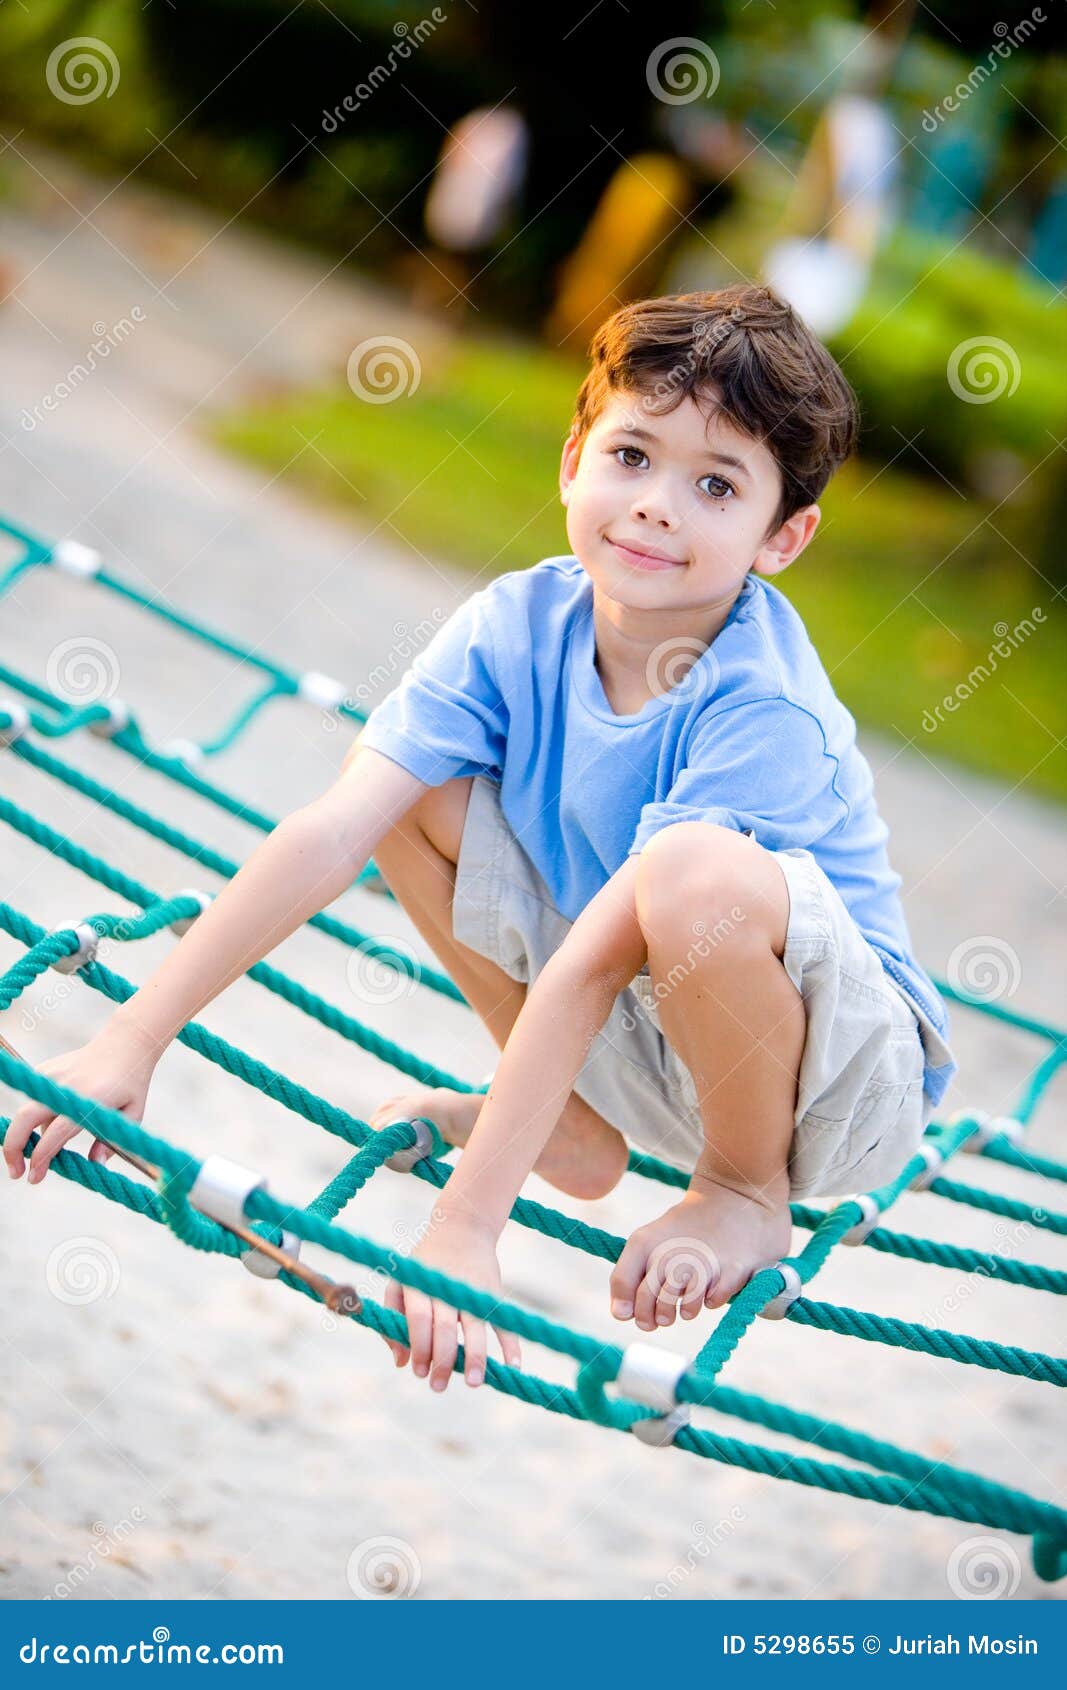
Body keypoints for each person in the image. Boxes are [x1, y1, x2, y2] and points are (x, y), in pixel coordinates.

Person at [3, 284, 956, 1400]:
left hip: (830, 1085)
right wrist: (133, 1038)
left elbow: (598, 961)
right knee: (402, 790)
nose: (656, 507)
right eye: (632, 456)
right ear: (573, 460)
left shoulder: (762, 706)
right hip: (653, 1035)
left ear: (781, 537)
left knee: (692, 875)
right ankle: (568, 1125)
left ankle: (740, 1192)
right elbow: (333, 831)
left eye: (715, 485)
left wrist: (465, 1226)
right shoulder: (516, 624)